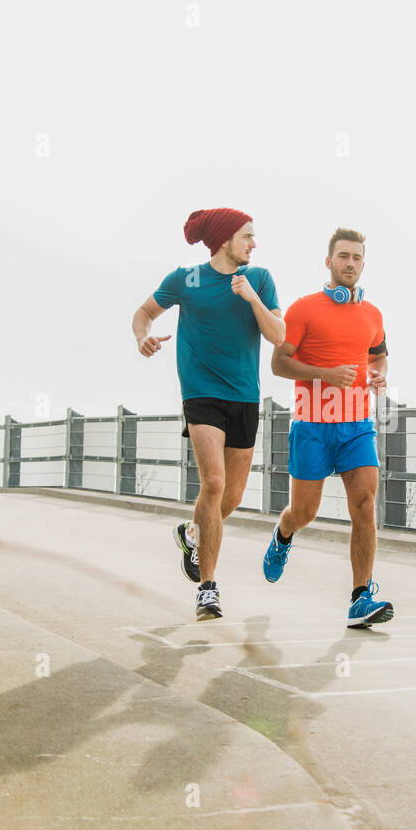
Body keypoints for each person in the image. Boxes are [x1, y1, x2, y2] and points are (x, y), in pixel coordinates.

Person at [133, 208, 284, 620]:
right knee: (213, 484)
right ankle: (208, 588)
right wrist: (144, 336)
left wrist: (251, 297)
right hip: (201, 395)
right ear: (223, 240)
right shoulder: (186, 279)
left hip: (244, 397)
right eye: (247, 236)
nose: (253, 244)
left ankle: (193, 533)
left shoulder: (260, 279)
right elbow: (143, 313)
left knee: (230, 496)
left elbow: (278, 335)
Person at [262, 227, 394, 628]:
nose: (349, 263)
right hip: (312, 425)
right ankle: (284, 535)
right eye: (343, 256)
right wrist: (324, 374)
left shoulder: (372, 314)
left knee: (365, 506)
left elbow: (380, 357)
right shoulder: (303, 309)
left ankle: (360, 597)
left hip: (357, 424)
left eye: (356, 257)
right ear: (329, 261)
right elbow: (279, 363)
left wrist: (377, 374)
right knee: (305, 511)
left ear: (363, 264)